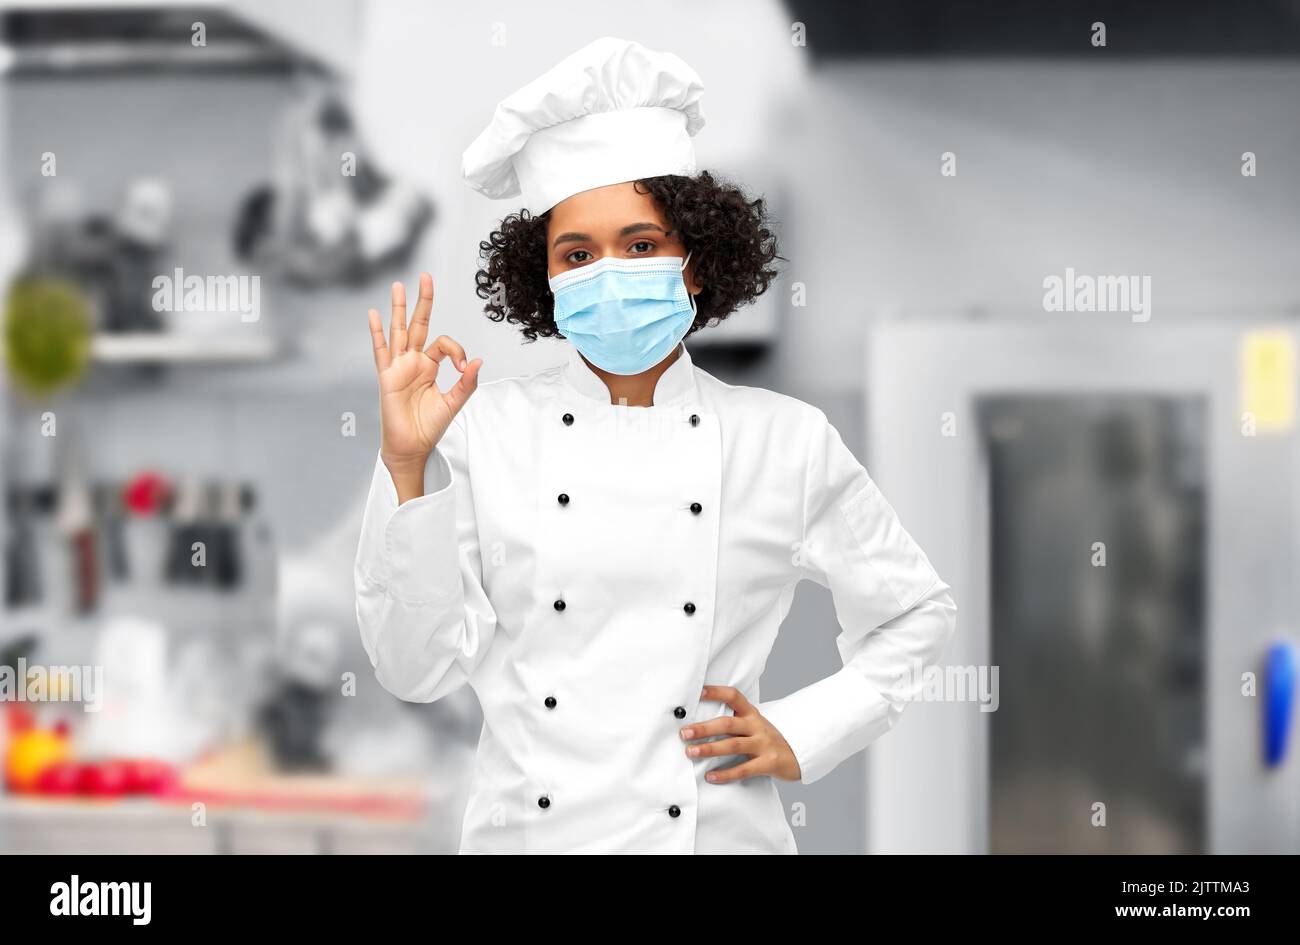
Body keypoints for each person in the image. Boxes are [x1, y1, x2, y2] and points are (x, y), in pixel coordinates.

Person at [354, 37, 957, 854]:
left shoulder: (782, 441)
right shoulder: (481, 433)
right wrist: (404, 465)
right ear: (546, 281)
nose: (609, 271)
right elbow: (412, 669)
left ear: (697, 264)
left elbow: (917, 610)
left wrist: (803, 729)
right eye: (578, 253)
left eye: (640, 245)